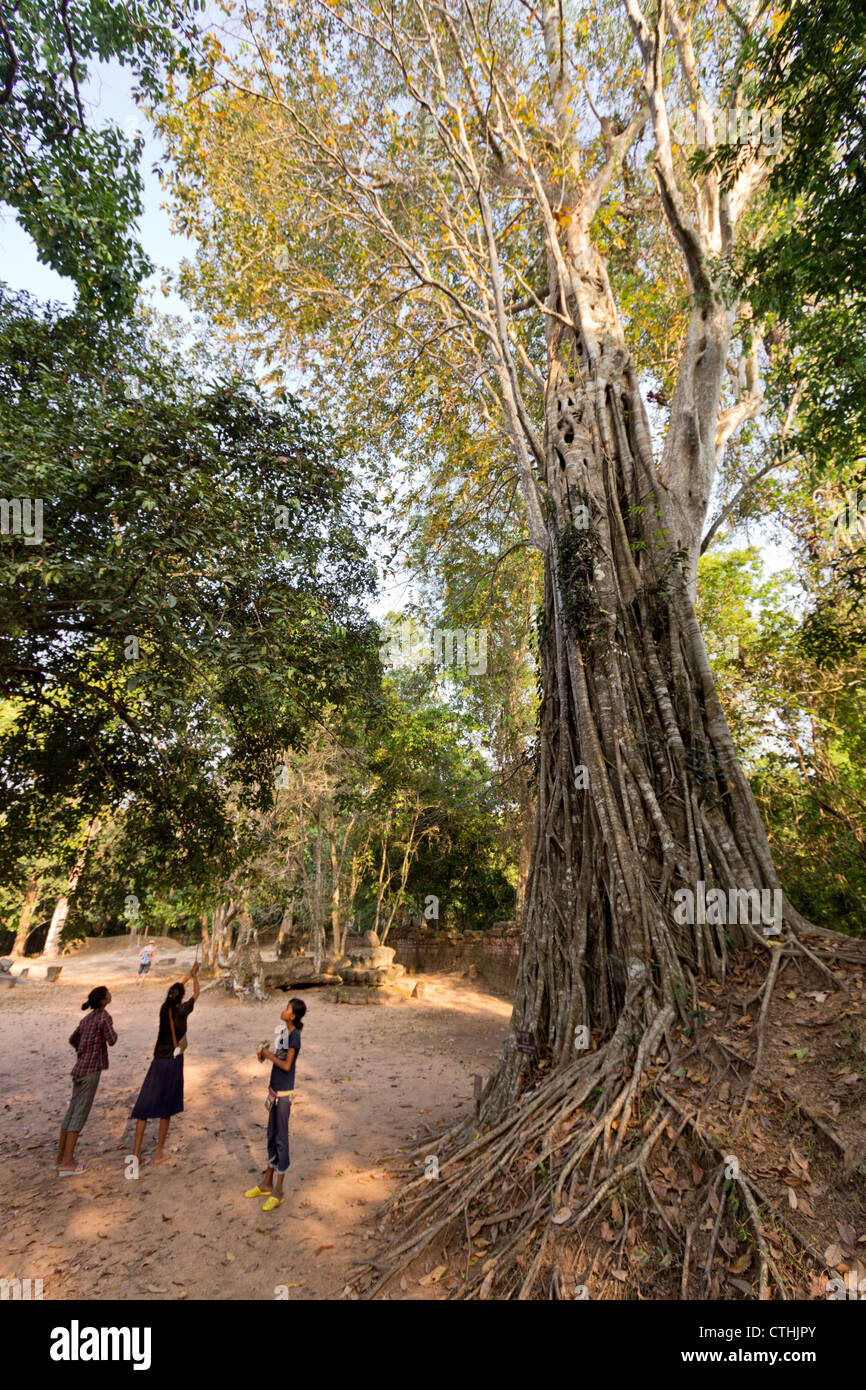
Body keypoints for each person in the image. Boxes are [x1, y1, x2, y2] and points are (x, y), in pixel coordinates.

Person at [130, 961, 199, 1164]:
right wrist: (194, 975)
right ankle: (158, 1152)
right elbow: (196, 993)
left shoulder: (164, 1009)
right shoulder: (183, 1010)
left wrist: (187, 975)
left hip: (158, 1061)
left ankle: (136, 1154)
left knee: (144, 1108)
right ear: (181, 998)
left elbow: (177, 991)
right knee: (166, 1109)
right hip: (173, 1062)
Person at [244, 996, 306, 1211]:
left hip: (284, 1094)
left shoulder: (295, 1036)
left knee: (281, 1139)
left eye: (287, 1008)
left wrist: (269, 1055)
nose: (283, 1009)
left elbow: (287, 1066)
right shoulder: (283, 1032)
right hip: (274, 1091)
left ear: (293, 1015)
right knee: (271, 1136)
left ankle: (279, 1191)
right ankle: (266, 1184)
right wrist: (263, 1055)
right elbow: (276, 1058)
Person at [57, 986, 117, 1175]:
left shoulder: (86, 1019)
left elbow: (73, 1039)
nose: (110, 994)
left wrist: (83, 1050)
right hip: (91, 1071)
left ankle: (59, 1157)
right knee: (79, 1114)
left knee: (71, 1112)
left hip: (79, 1069)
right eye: (107, 993)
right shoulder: (103, 1017)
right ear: (103, 1001)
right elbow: (112, 1039)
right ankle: (67, 1162)